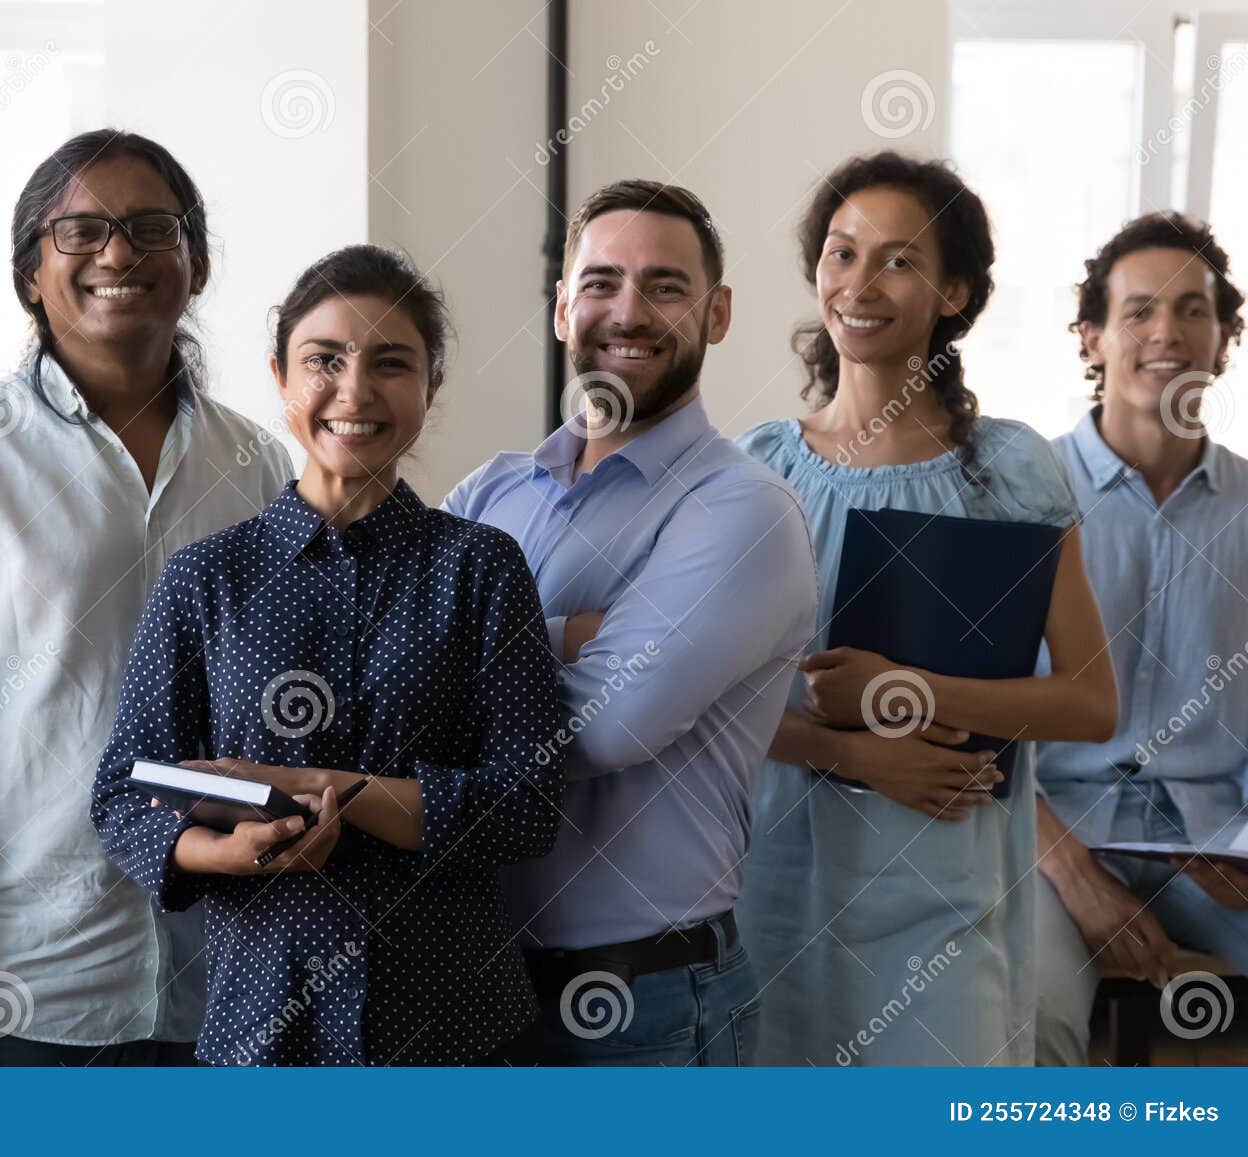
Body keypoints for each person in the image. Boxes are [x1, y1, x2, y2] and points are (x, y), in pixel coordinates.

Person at [0, 130, 291, 1067]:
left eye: (151, 227)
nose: (119, 253)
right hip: (33, 998)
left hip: (226, 982)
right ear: (30, 274)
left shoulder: (257, 463)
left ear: (198, 262)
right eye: (82, 230)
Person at [93, 244, 563, 1066]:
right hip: (259, 1025)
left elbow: (526, 804)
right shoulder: (207, 578)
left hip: (451, 1031)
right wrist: (219, 853)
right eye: (324, 360)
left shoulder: (483, 568)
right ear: (280, 377)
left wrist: (326, 786)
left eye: (391, 362)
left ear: (430, 387)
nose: (355, 391)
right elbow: (123, 794)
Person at [735, 151, 1118, 1066]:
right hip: (777, 887)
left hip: (949, 887)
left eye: (899, 260)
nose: (859, 284)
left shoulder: (1013, 467)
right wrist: (852, 744)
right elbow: (709, 699)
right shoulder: (758, 472)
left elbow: (1090, 701)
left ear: (954, 292)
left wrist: (904, 689)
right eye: (841, 253)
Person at [443, 180, 818, 1066]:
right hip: (473, 984)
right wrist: (578, 631)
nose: (629, 312)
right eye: (602, 282)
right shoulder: (491, 491)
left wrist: (477, 647)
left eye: (666, 286)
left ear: (717, 313)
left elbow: (602, 727)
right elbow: (393, 679)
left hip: (643, 1008)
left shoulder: (744, 509)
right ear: (564, 306)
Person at [1034, 211, 1248, 1065]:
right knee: (1030, 1021)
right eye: (1139, 310)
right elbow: (970, 736)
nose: (1168, 333)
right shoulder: (1022, 491)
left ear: (1226, 335)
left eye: (1193, 309)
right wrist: (1074, 875)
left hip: (1218, 848)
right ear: (1092, 338)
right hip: (1050, 845)